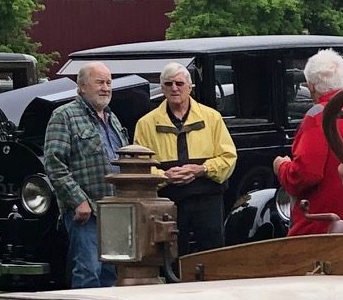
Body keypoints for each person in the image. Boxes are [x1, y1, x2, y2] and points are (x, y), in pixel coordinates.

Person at [132, 62, 237, 256]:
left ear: (189, 87)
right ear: (162, 88)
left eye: (179, 83)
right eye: (168, 84)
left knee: (212, 254)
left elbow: (228, 158)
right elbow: (139, 168)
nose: (174, 88)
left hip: (207, 199)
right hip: (166, 201)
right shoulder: (145, 124)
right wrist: (164, 176)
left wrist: (201, 169)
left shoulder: (212, 118)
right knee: (169, 255)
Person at [274, 49, 343, 235]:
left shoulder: (317, 116)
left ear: (311, 86)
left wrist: (281, 167)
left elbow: (305, 175)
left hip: (321, 230)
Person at [42, 62, 122, 288]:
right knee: (88, 271)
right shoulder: (64, 116)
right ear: (82, 86)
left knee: (112, 274)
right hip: (87, 213)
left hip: (114, 211)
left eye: (108, 82)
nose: (105, 88)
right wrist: (78, 200)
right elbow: (54, 163)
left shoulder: (111, 118)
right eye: (99, 82)